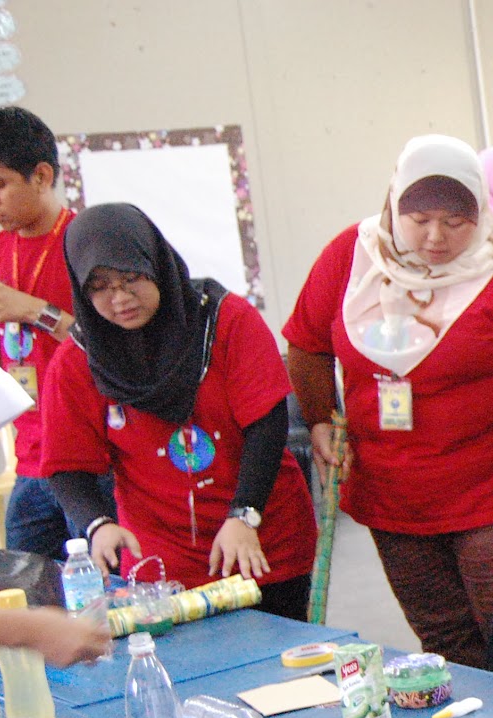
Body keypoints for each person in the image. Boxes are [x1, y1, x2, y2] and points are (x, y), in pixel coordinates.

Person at [284, 135, 493, 678]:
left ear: (480, 208)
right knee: (446, 644)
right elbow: (307, 342)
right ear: (394, 202)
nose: (435, 237)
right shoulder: (351, 258)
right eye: (419, 218)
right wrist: (317, 419)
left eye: (456, 222)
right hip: (394, 498)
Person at [41, 204, 317, 619]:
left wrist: (245, 515)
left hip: (259, 542)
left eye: (131, 278)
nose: (119, 298)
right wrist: (97, 523)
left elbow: (267, 421)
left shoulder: (226, 320)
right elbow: (66, 463)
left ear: (156, 264)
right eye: (99, 287)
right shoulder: (79, 359)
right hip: (161, 561)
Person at [0, 107, 112, 559]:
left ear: (42, 176)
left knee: (112, 596)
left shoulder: (89, 244)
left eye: (0, 186)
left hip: (93, 464)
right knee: (33, 606)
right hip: (29, 460)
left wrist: (34, 311)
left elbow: (112, 347)